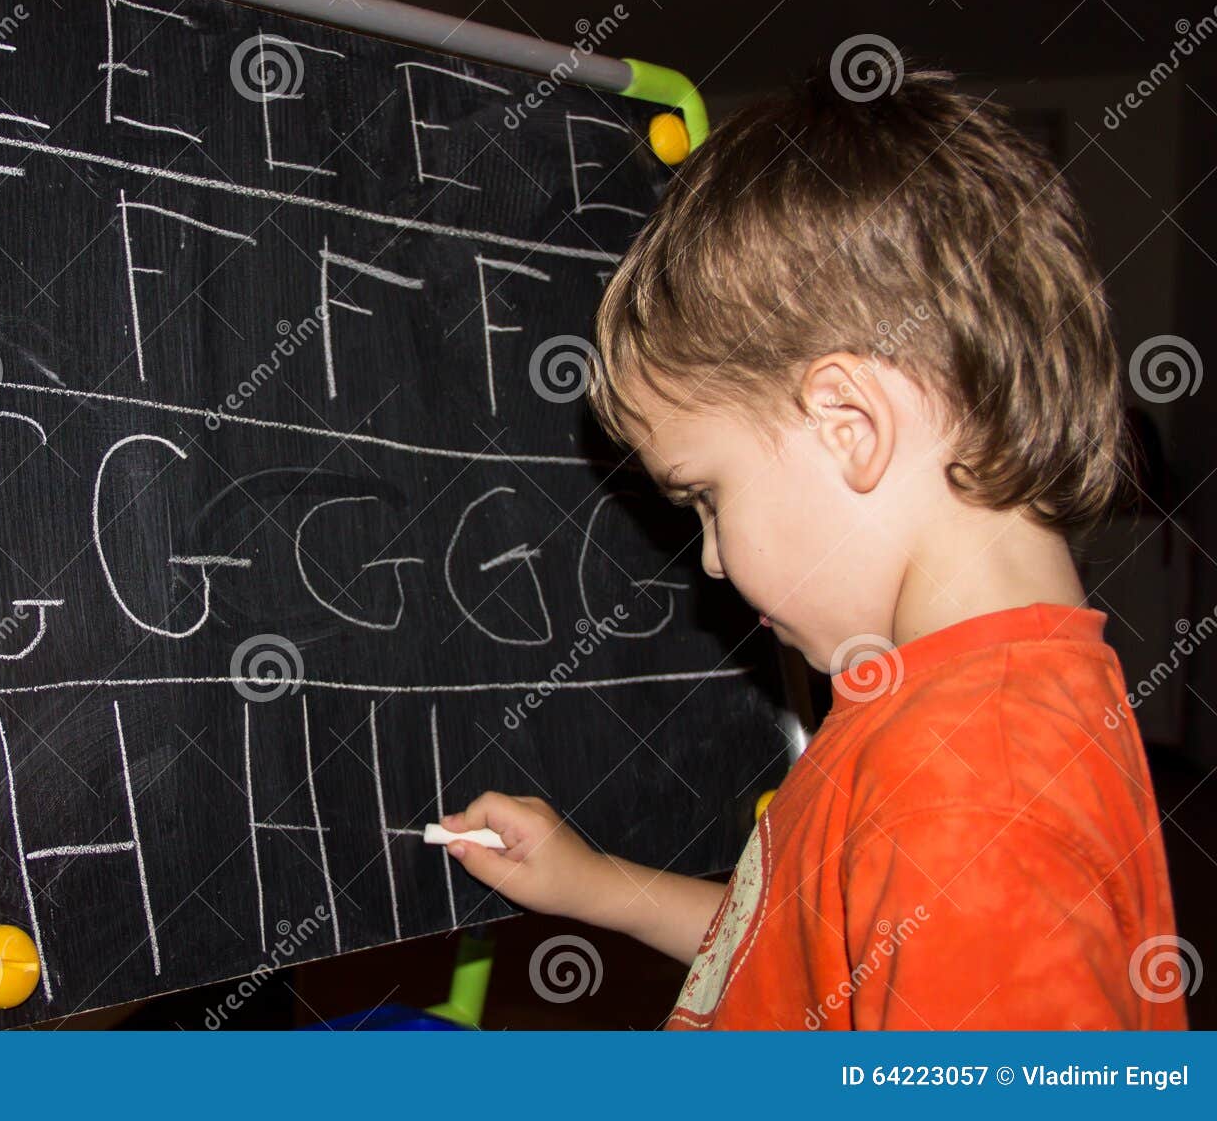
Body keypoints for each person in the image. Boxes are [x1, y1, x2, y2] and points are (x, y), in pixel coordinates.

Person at [441, 65, 1188, 1029]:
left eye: (708, 497)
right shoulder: (945, 712)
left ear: (848, 424)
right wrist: (593, 883)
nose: (711, 559)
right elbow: (805, 957)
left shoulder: (969, 796)